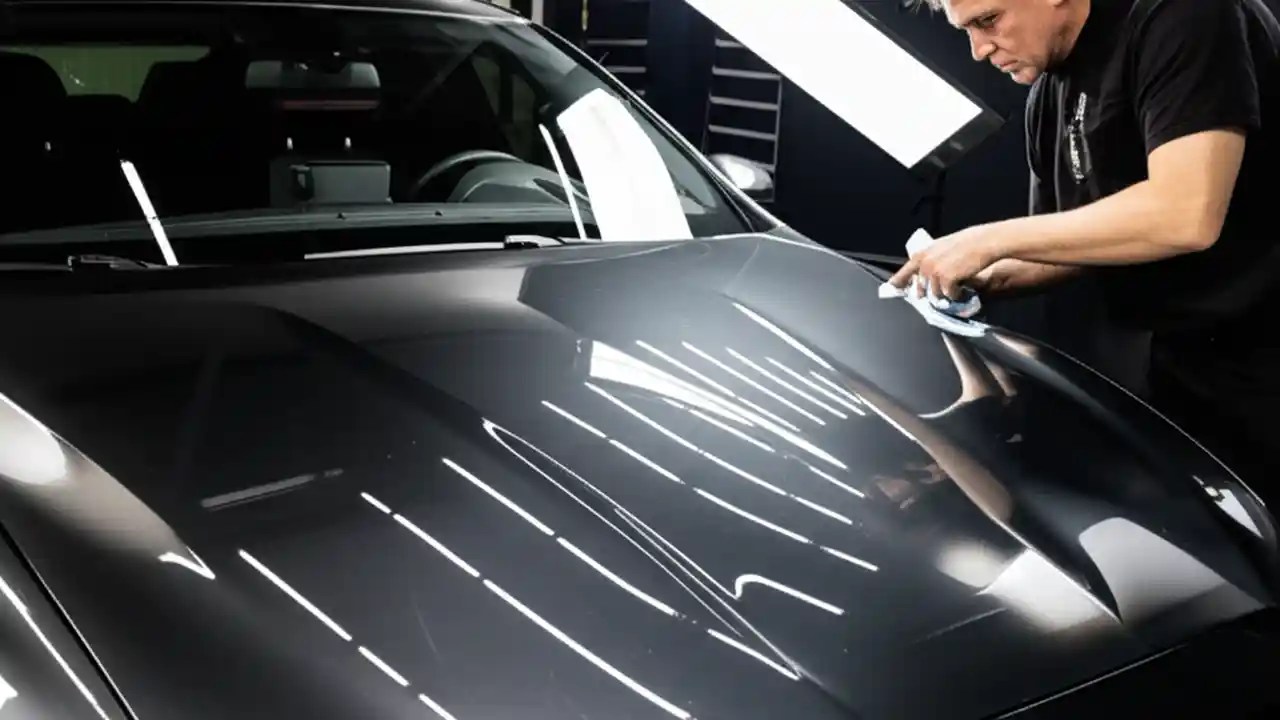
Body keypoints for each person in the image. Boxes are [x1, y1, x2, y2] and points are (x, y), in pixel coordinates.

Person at [890, 0, 1280, 503]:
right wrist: (975, 275)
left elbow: (1185, 214)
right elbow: (1064, 244)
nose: (979, 50)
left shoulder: (1188, 16)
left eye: (989, 21)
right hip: (1185, 374)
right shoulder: (1048, 96)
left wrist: (985, 241)